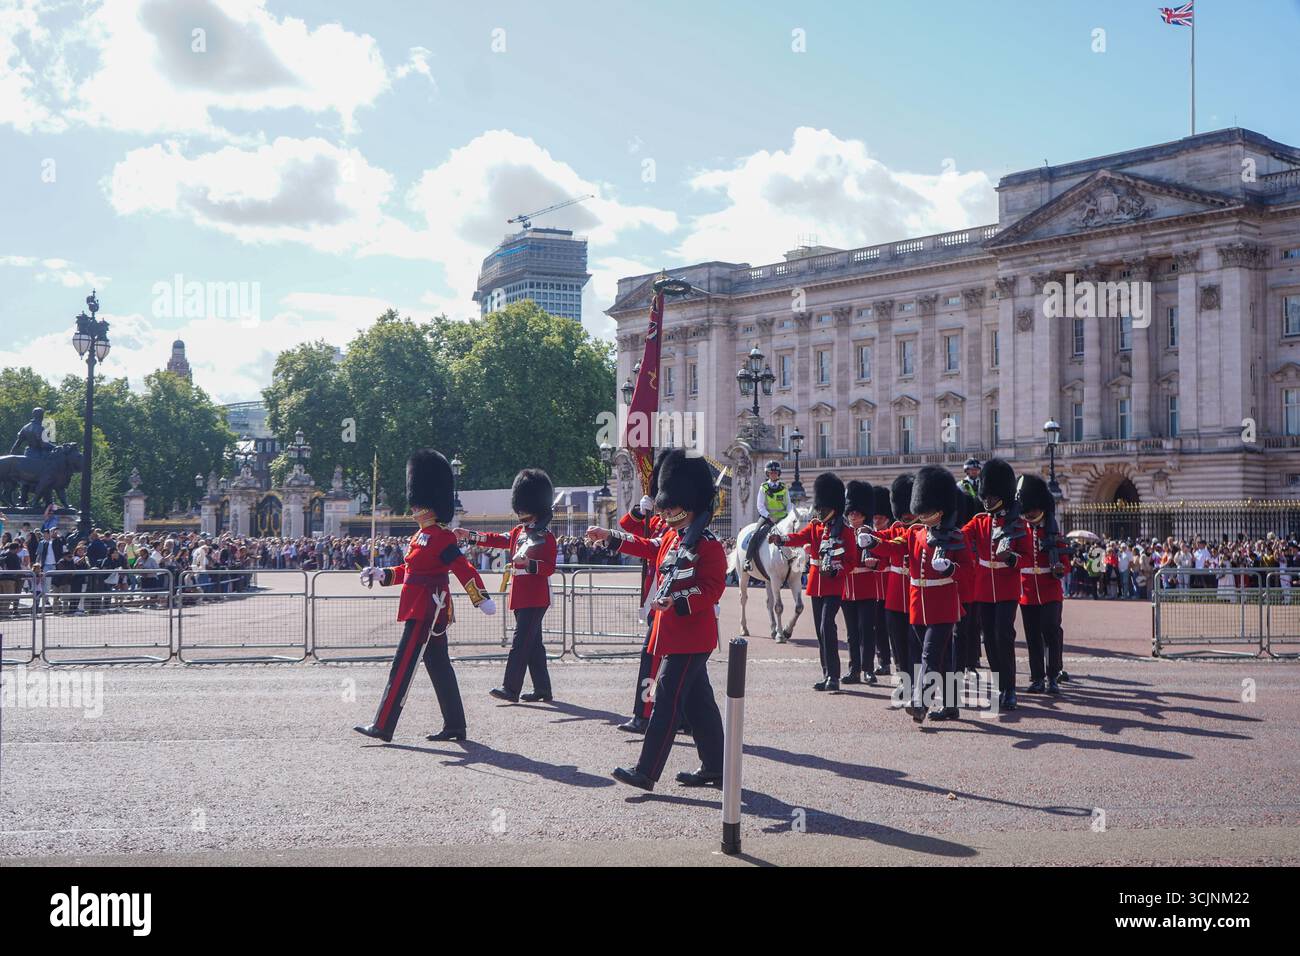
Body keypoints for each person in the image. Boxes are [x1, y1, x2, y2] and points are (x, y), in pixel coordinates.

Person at [587, 449, 726, 792]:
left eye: (670, 506)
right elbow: (648, 546)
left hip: (692, 635)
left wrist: (676, 601)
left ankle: (646, 771)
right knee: (699, 703)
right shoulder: (671, 537)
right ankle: (716, 767)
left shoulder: (708, 546)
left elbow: (712, 589)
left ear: (689, 506)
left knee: (665, 699)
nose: (664, 512)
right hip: (673, 634)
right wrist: (611, 537)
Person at [354, 449, 497, 744]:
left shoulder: (442, 536)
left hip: (428, 608)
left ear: (430, 507)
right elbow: (410, 570)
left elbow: (462, 568)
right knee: (438, 665)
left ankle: (383, 725)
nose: (414, 508)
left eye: (419, 504)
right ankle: (455, 725)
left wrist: (480, 597)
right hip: (419, 606)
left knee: (402, 665)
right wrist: (383, 574)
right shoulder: (418, 537)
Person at [861, 466, 972, 723]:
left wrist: (952, 568)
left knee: (930, 655)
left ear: (941, 510)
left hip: (943, 606)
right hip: (918, 605)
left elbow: (969, 571)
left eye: (927, 511)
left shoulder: (956, 537)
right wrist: (874, 542)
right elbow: (893, 547)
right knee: (938, 658)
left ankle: (920, 702)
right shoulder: (915, 533)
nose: (921, 515)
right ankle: (952, 705)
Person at [460, 468, 559, 705]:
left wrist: (529, 563)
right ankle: (542, 689)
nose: (521, 514)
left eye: (525, 510)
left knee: (519, 643)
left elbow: (549, 567)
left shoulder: (546, 536)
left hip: (535, 596)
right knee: (533, 644)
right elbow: (498, 539)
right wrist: (470, 535)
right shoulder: (519, 532)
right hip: (520, 595)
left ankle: (511, 687)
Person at [770, 473, 858, 692]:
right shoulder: (817, 527)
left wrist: (838, 570)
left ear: (833, 508)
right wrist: (781, 539)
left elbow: (851, 561)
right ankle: (826, 673)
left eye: (823, 508)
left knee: (827, 625)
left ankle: (834, 676)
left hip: (834, 584)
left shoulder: (845, 531)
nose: (819, 511)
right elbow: (799, 537)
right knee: (820, 632)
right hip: (817, 584)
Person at [960, 458, 1029, 710]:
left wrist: (1011, 558)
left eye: (992, 496)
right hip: (983, 589)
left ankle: (1010, 689)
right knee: (988, 638)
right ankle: (1001, 685)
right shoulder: (980, 521)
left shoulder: (1017, 524)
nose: (987, 501)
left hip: (1006, 587)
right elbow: (961, 536)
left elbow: (1027, 558)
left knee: (1003, 635)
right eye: (985, 496)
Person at [613, 451, 670, 734]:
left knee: (654, 657)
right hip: (654, 594)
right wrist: (639, 510)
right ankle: (679, 715)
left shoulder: (675, 525)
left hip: (666, 597)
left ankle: (644, 714)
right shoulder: (657, 518)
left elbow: (645, 545)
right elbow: (625, 527)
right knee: (670, 662)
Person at [1016, 475, 1067, 694]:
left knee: (1051, 631)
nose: (1030, 514)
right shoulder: (1021, 530)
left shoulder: (1053, 532)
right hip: (1027, 591)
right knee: (1033, 637)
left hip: (1050, 590)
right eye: (1028, 511)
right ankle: (1037, 677)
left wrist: (1060, 569)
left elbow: (1065, 561)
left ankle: (1053, 675)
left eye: (1034, 510)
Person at [840, 480, 879, 685]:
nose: (853, 516)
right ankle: (854, 669)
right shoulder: (843, 534)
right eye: (851, 513)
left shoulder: (872, 534)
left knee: (866, 630)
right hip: (848, 589)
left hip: (866, 588)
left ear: (864, 514)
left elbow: (882, 558)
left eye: (857, 513)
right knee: (852, 632)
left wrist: (875, 563)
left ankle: (868, 670)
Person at [743, 460, 790, 574]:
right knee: (755, 534)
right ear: (767, 474)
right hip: (767, 517)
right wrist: (769, 516)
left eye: (775, 473)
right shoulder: (763, 487)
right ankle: (747, 560)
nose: (773, 474)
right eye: (771, 473)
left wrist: (788, 515)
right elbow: (760, 505)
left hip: (782, 518)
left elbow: (788, 504)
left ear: (778, 474)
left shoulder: (784, 487)